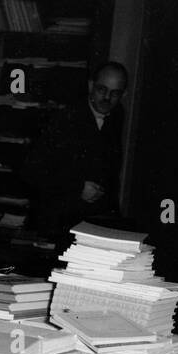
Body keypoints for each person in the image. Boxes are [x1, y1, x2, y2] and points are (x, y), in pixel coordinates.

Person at [20, 60, 129, 242]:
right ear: (90, 85)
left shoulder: (117, 115)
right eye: (102, 90)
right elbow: (30, 171)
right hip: (56, 224)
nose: (107, 98)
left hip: (93, 224)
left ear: (123, 95)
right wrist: (77, 187)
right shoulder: (64, 118)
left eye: (115, 93)